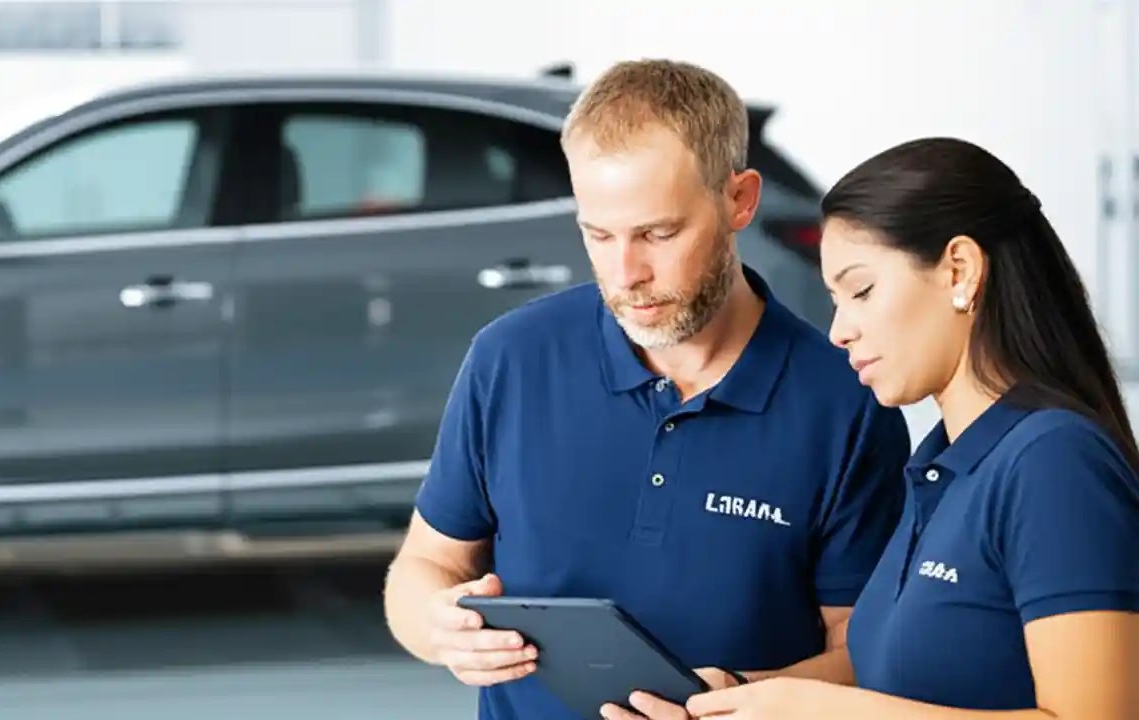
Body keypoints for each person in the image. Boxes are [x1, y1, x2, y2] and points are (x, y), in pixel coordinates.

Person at [382, 59, 911, 720]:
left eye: (658, 234)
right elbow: (425, 564)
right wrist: (437, 625)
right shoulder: (509, 359)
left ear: (739, 200)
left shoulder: (844, 402)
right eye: (597, 235)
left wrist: (741, 697)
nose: (625, 273)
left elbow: (869, 649)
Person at [670, 138, 1139, 719]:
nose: (839, 330)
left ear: (959, 271)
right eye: (836, 300)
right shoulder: (942, 465)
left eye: (862, 291)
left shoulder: (1054, 462)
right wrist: (739, 694)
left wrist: (822, 714)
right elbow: (892, 669)